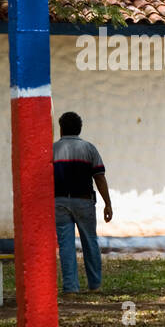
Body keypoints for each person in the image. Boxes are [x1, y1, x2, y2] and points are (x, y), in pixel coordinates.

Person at [53, 111, 112, 293]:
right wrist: (107, 203)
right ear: (80, 129)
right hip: (84, 202)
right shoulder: (89, 148)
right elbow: (99, 178)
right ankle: (95, 285)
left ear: (61, 129)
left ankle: (71, 287)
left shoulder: (52, 150)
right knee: (90, 242)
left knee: (66, 245)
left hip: (59, 202)